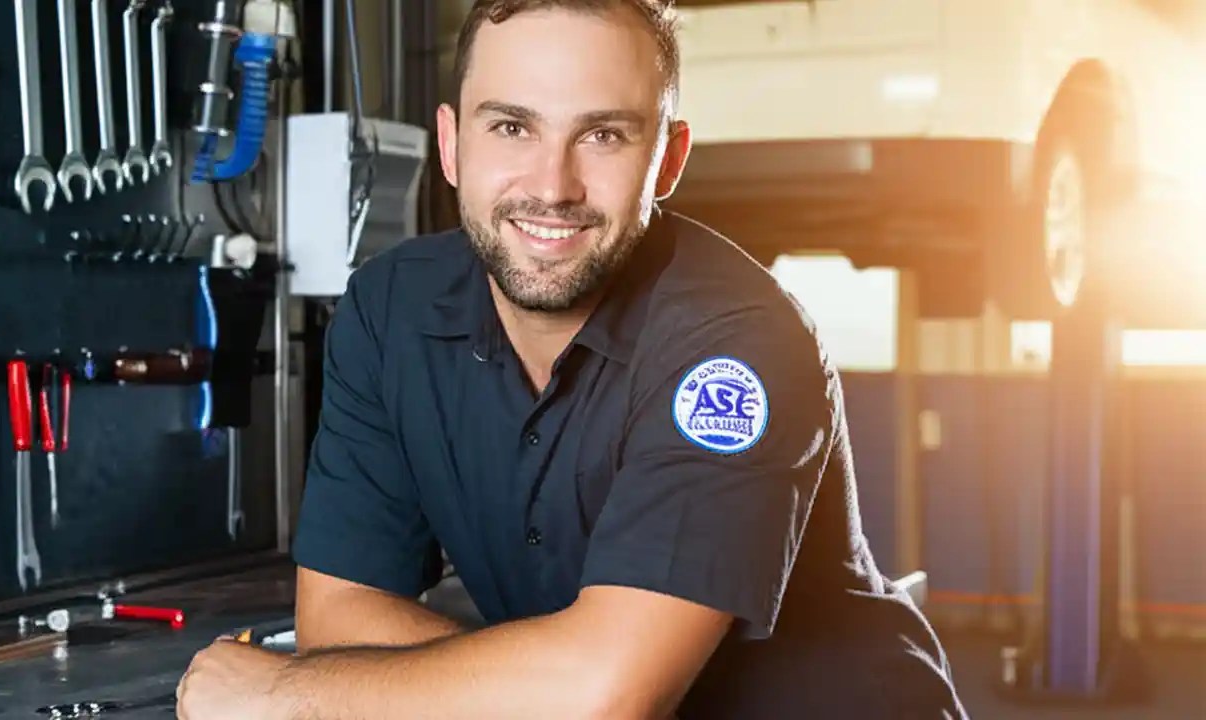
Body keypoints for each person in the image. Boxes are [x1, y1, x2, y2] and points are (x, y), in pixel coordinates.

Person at [175, 1, 969, 718]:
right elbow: (340, 613)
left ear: (666, 160)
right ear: (452, 144)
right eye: (512, 127)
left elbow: (605, 696)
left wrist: (282, 696)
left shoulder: (736, 343)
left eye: (603, 134)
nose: (552, 186)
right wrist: (550, 679)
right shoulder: (390, 313)